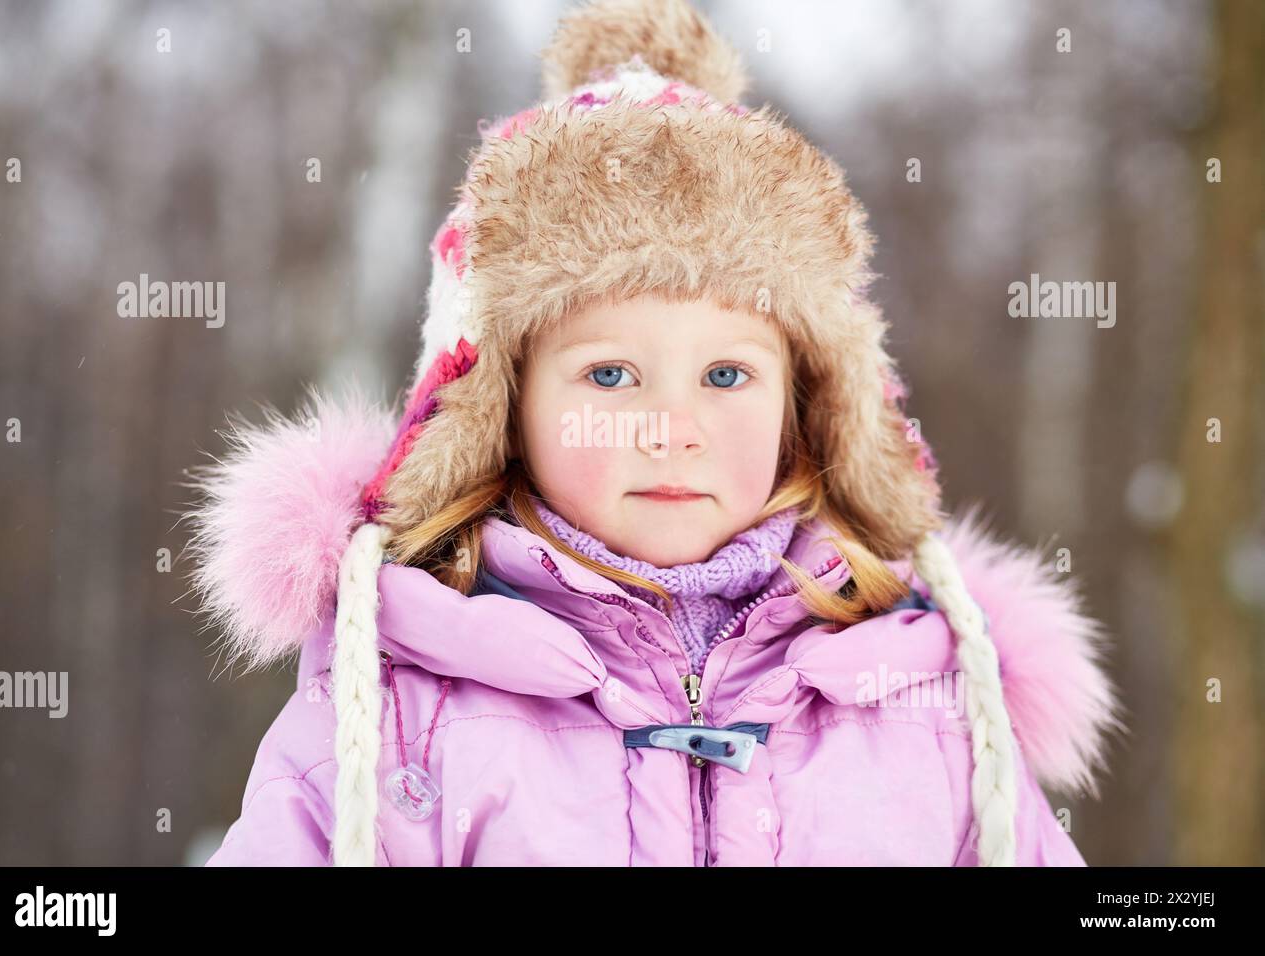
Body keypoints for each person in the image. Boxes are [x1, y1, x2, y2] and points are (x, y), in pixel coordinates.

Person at [188, 0, 1124, 866]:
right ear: (500, 407)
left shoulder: (926, 695)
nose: (673, 430)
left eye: (726, 375)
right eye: (610, 375)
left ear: (805, 403)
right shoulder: (396, 698)